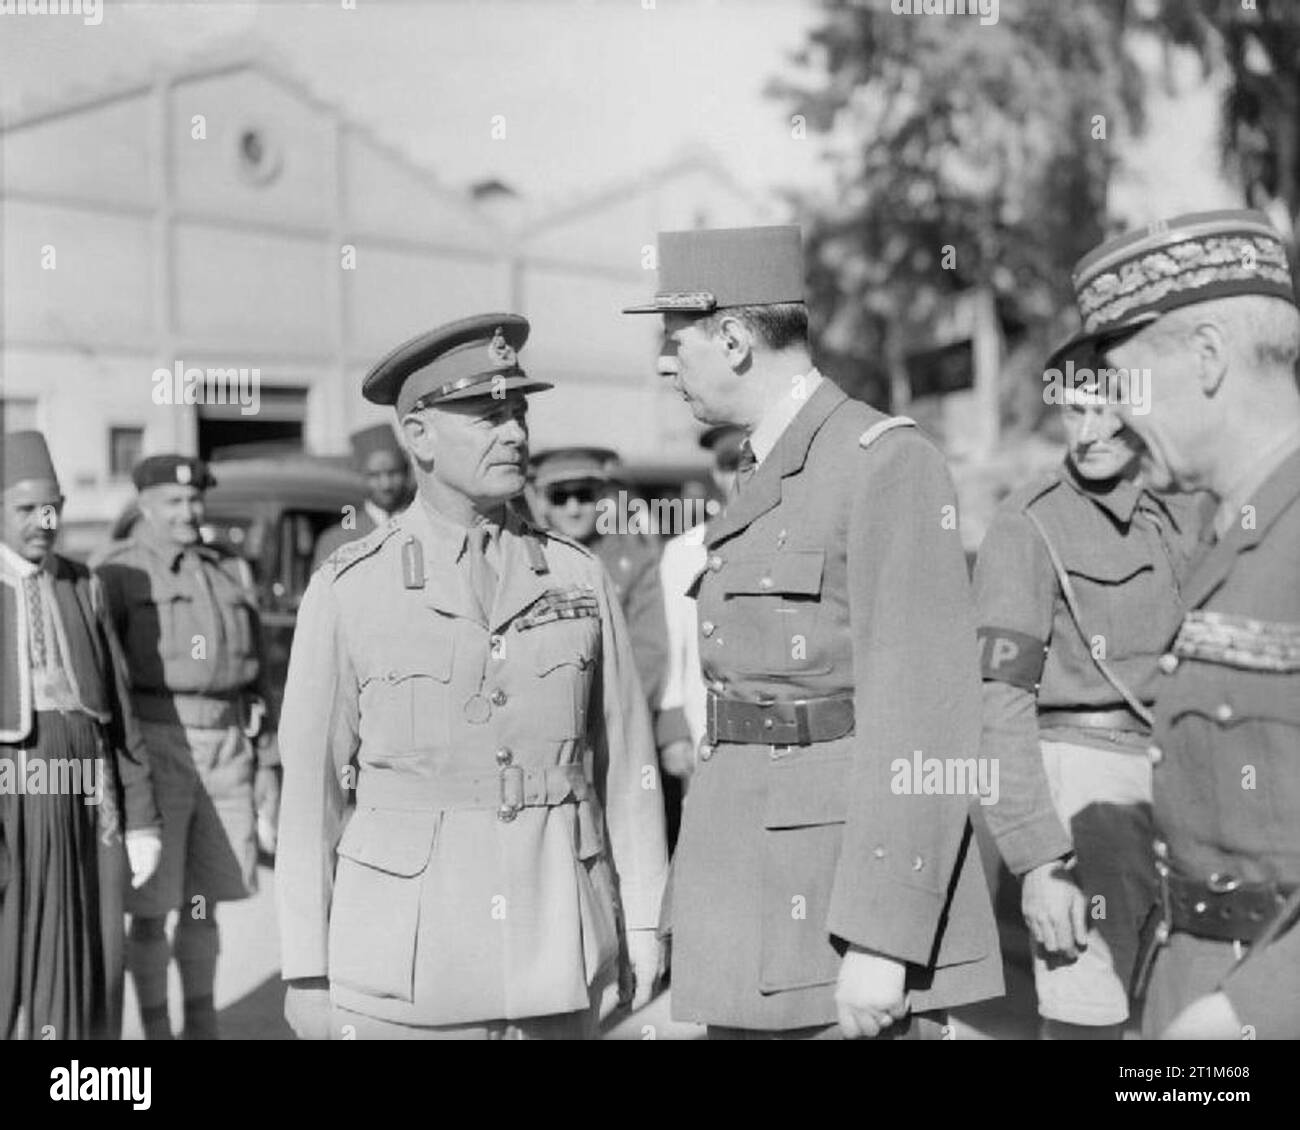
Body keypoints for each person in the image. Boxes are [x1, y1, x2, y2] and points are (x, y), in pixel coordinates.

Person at [624, 225, 1003, 1039]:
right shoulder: (763, 468)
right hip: (746, 886)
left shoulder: (882, 462)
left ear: (732, 340)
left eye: (674, 342)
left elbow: (926, 716)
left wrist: (885, 936)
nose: (664, 363)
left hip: (836, 910)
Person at [276, 313, 668, 1040]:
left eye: (518, 412)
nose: (515, 433)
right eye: (488, 415)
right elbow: (310, 796)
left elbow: (628, 770)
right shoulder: (349, 588)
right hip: (408, 972)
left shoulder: (579, 577)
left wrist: (643, 921)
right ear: (419, 435)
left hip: (559, 956)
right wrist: (305, 971)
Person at [1072, 208, 1300, 1040]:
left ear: (1207, 358)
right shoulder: (1219, 532)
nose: (1111, 416)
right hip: (1182, 994)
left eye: (1121, 382)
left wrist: (1250, 1013)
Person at [973, 364, 1203, 1039]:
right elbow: (1000, 700)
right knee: (1090, 1021)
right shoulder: (1030, 523)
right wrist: (1041, 859)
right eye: (1075, 411)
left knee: (1191, 1026)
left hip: (1186, 788)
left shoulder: (1194, 506)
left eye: (1110, 410)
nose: (1090, 431)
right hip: (1083, 789)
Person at [93, 455, 278, 1040]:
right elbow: (103, 681)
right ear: (142, 504)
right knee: (150, 910)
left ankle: (202, 1027)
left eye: (195, 499)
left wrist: (267, 759)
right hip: (158, 746)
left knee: (206, 901)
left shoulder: (226, 571)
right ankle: (155, 1033)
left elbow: (258, 676)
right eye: (173, 501)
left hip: (229, 747)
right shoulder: (120, 574)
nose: (189, 511)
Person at [1, 431, 161, 1040]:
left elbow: (119, 713)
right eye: (25, 509)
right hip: (13, 795)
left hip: (90, 799)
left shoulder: (84, 584)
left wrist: (143, 819)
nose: (44, 523)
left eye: (53, 508)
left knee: (92, 947)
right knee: (13, 947)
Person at [529, 446, 685, 843]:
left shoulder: (633, 559)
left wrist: (600, 715)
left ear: (603, 499)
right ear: (542, 501)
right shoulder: (522, 558)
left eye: (585, 495)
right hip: (541, 738)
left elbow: (649, 652)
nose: (575, 507)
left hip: (616, 733)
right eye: (561, 497)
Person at [311, 424, 412, 572]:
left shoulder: (424, 527)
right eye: (374, 475)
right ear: (361, 476)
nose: (386, 485)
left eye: (393, 473)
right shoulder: (338, 540)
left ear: (406, 472)